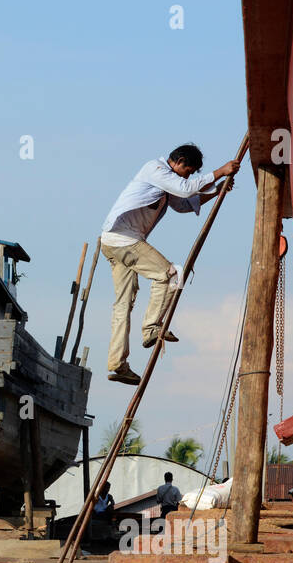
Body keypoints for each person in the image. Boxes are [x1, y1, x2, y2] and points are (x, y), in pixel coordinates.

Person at [100, 144, 242, 385]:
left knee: (123, 304)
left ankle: (117, 364)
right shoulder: (155, 169)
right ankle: (152, 328)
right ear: (179, 162)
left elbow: (184, 204)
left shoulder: (167, 182)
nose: (188, 176)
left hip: (113, 241)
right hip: (124, 241)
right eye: (189, 171)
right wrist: (220, 171)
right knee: (171, 274)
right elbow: (185, 189)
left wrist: (216, 192)